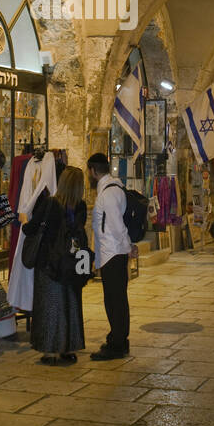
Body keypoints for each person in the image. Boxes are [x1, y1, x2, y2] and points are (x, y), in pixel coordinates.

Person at [25, 166, 90, 365]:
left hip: (49, 263)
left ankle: (50, 350)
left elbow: (30, 228)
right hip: (71, 262)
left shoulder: (50, 204)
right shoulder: (81, 207)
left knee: (49, 306)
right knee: (70, 304)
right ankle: (68, 348)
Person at [88, 153, 132, 360]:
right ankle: (118, 339)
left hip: (113, 254)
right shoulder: (110, 190)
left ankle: (117, 343)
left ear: (93, 171)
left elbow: (115, 225)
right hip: (112, 253)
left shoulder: (108, 194)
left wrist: (128, 247)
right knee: (116, 300)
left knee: (115, 301)